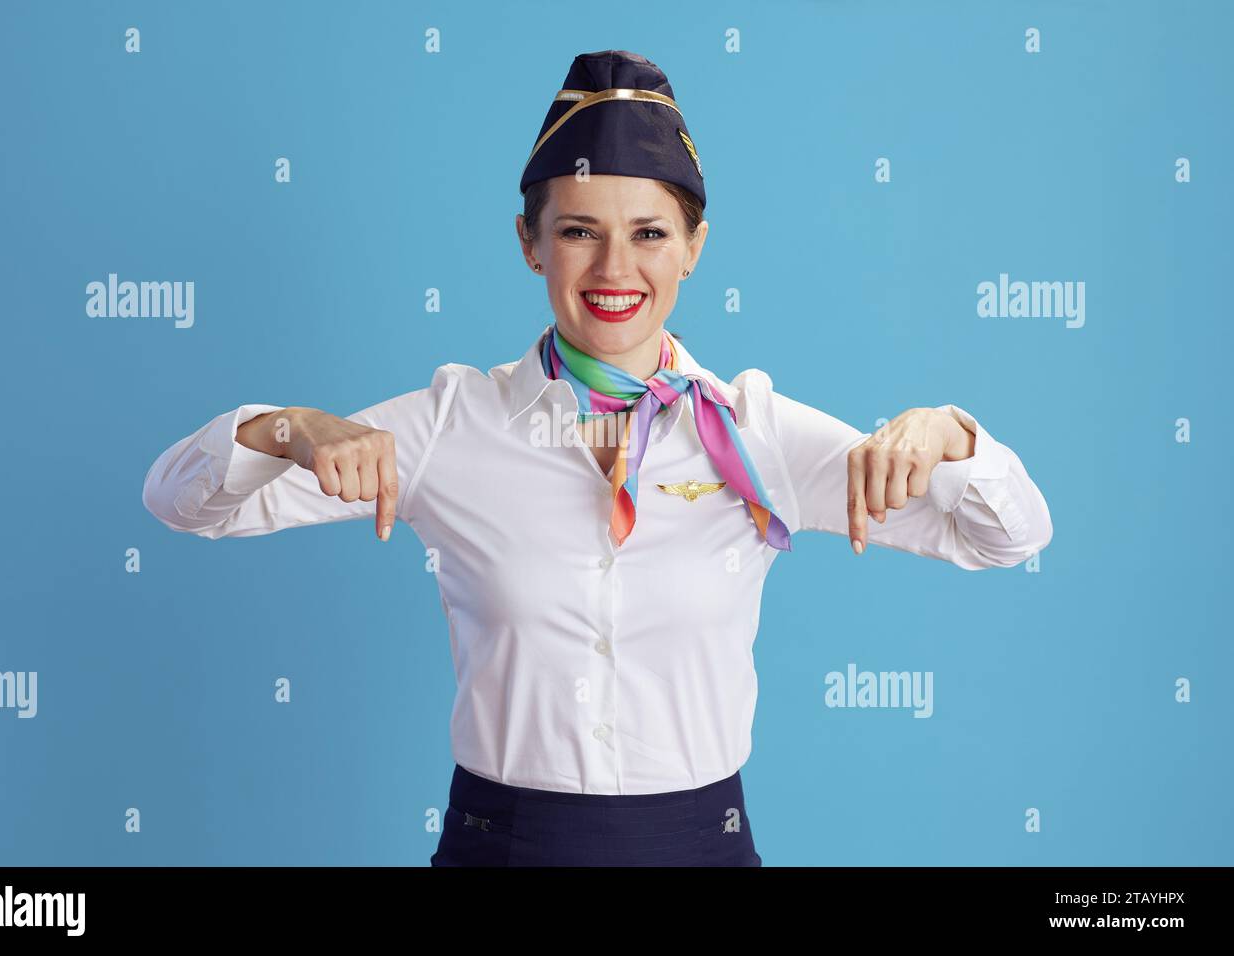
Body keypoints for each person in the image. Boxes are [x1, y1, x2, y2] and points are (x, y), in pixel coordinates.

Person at [142, 50, 1053, 866]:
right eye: (578, 230)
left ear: (695, 248)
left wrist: (952, 436)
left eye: (650, 233)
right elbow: (182, 504)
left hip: (704, 844)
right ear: (529, 242)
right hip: (500, 847)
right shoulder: (453, 422)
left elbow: (1004, 539)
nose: (615, 267)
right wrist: (288, 425)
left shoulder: (756, 433)